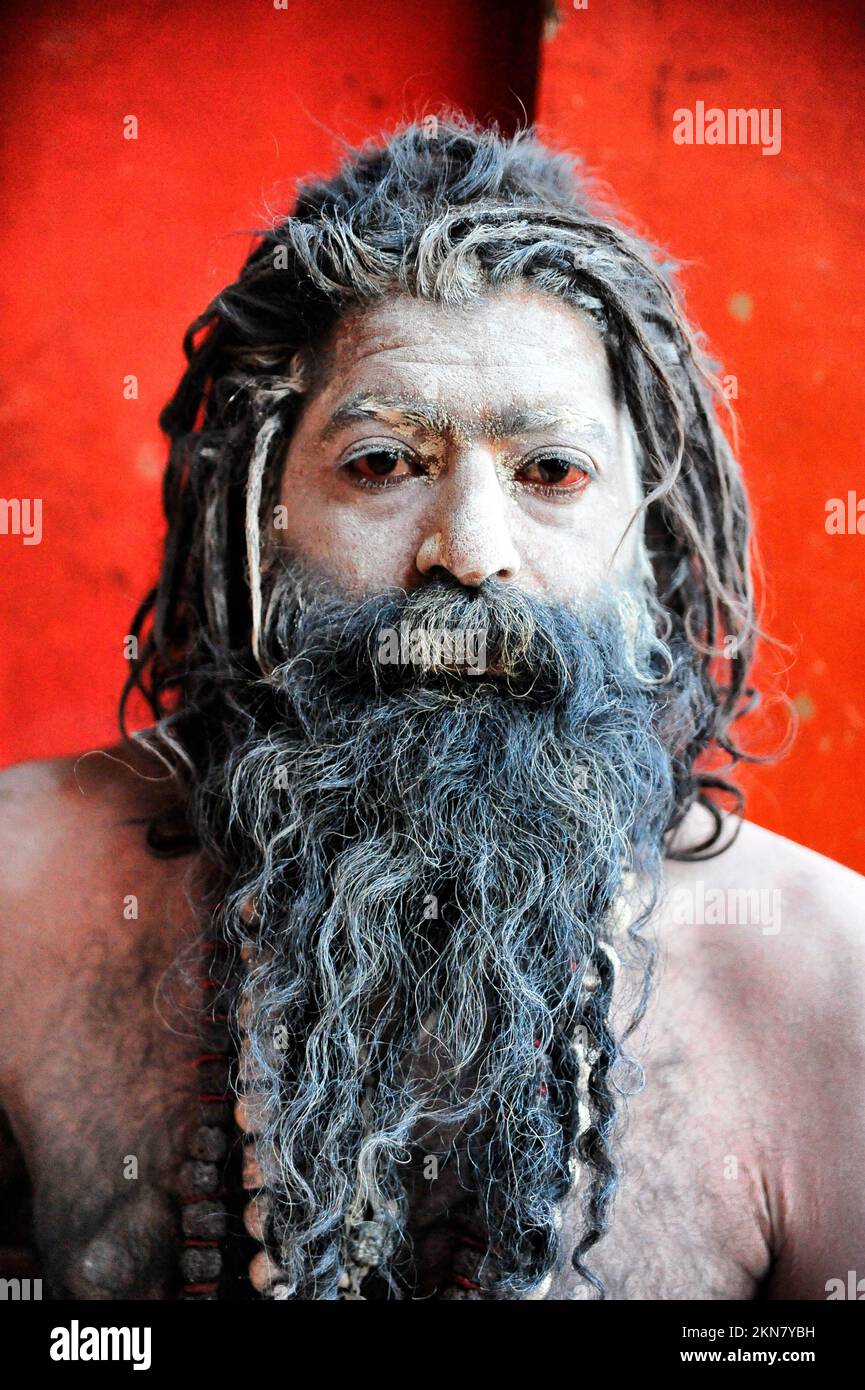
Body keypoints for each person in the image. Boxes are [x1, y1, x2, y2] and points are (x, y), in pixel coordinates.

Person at [1, 115, 863, 1302]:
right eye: (381, 464)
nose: (469, 549)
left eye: (550, 472)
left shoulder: (827, 987)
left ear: (648, 543)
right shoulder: (19, 887)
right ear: (258, 519)